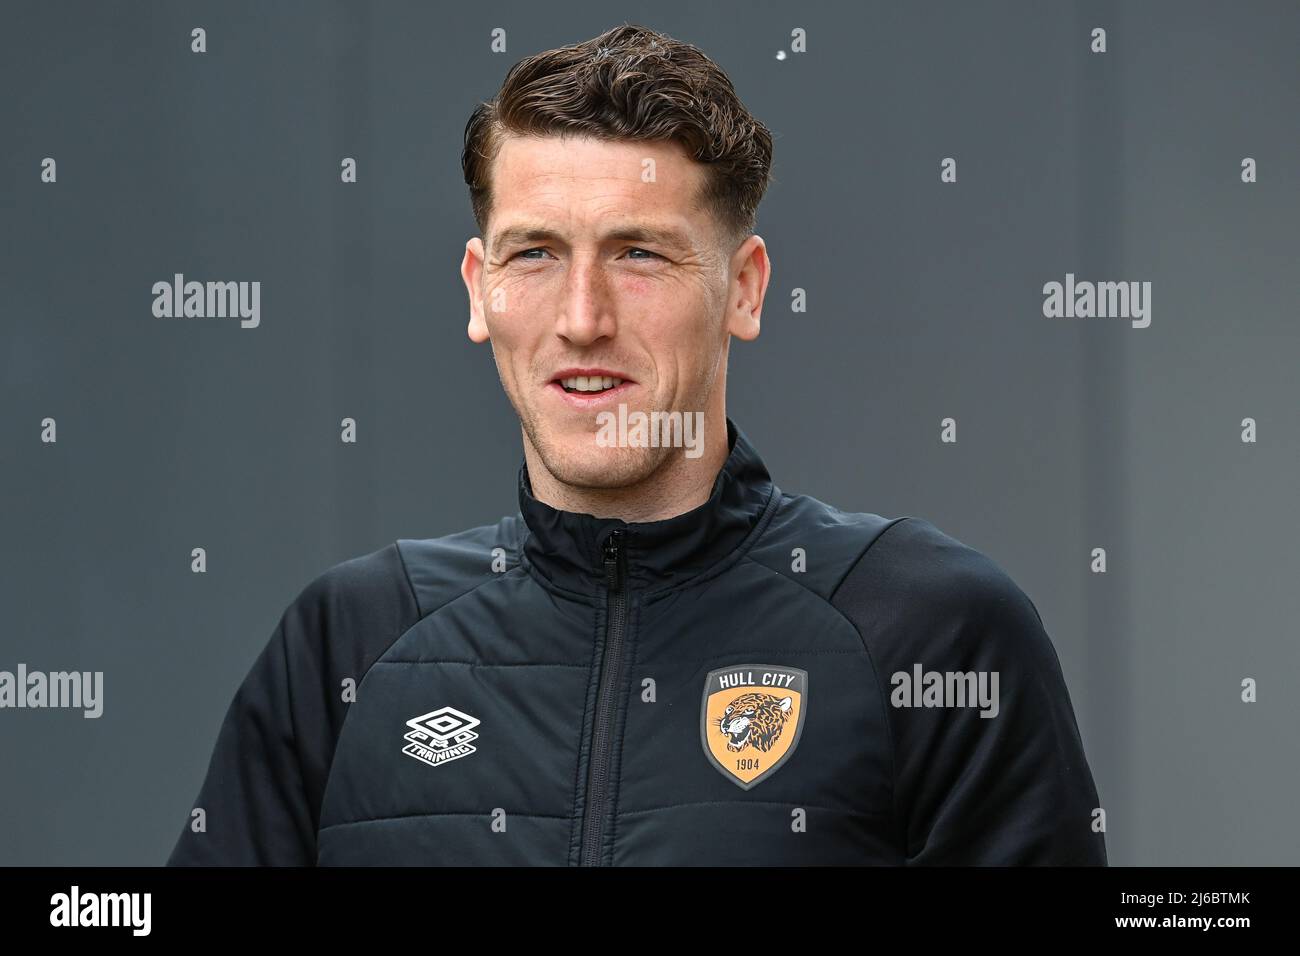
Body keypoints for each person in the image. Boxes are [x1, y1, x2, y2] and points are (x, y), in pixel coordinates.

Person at [167, 23, 1106, 866]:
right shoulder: (349, 640)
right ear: (477, 287)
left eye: (640, 254)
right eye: (533, 253)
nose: (582, 319)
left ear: (744, 288)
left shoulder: (933, 632)